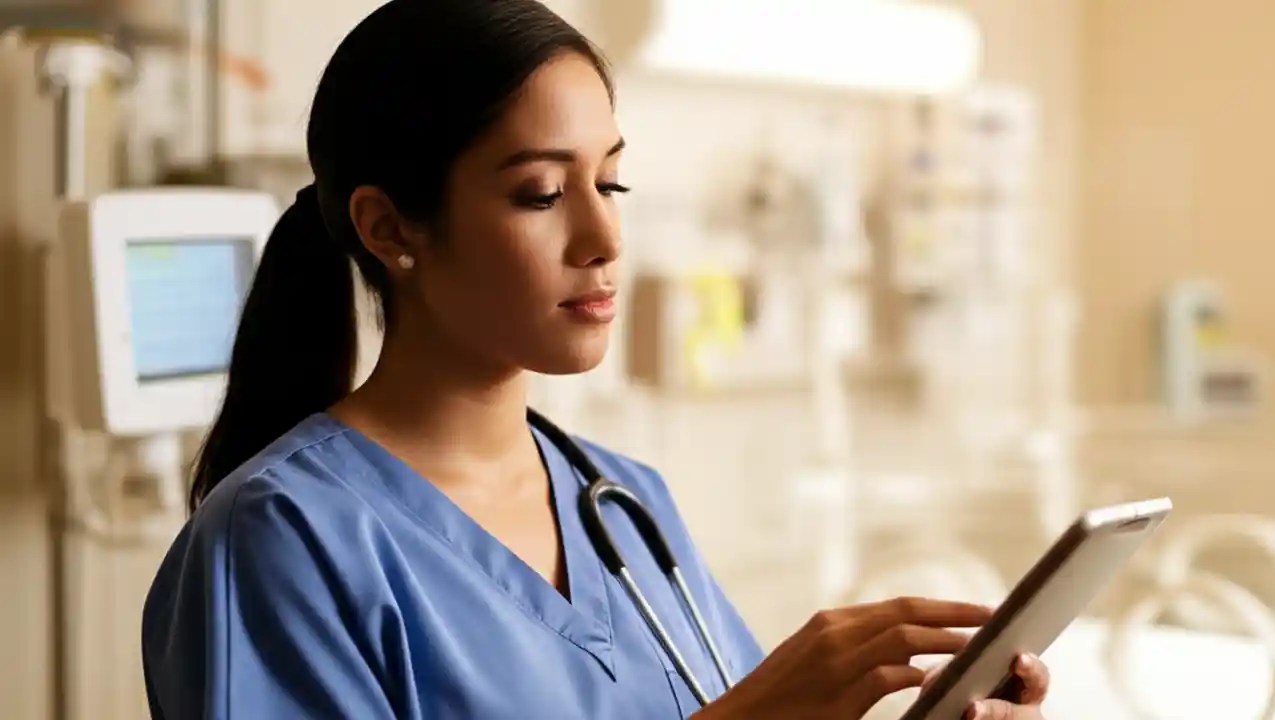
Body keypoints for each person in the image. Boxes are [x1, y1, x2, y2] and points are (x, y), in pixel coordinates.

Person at [141, 1, 1051, 718]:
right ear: (389, 227)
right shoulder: (283, 540)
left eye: (610, 181)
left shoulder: (624, 503)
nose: (605, 236)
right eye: (541, 194)